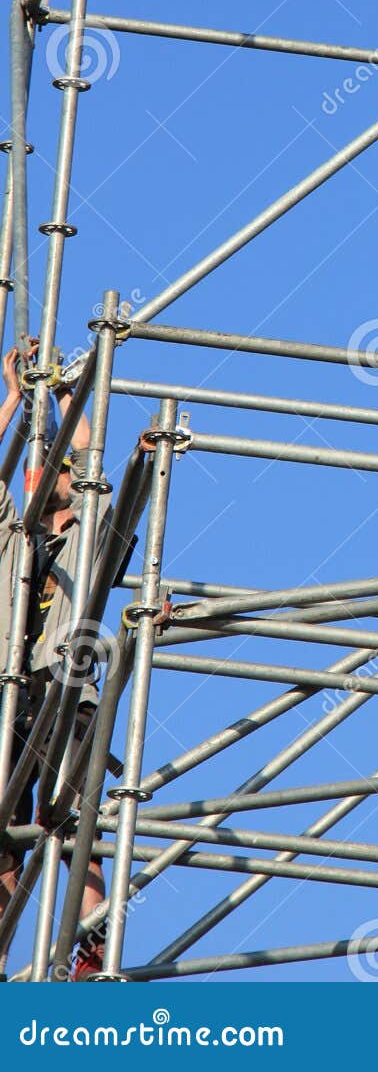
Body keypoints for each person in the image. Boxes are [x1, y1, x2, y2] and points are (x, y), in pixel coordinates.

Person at [0, 346, 110, 981]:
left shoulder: (87, 530)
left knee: (67, 818)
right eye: (42, 465)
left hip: (65, 683)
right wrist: (15, 395)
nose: (49, 473)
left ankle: (87, 946)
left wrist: (66, 392)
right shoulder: (12, 533)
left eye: (59, 465)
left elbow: (90, 459)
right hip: (10, 695)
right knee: (2, 839)